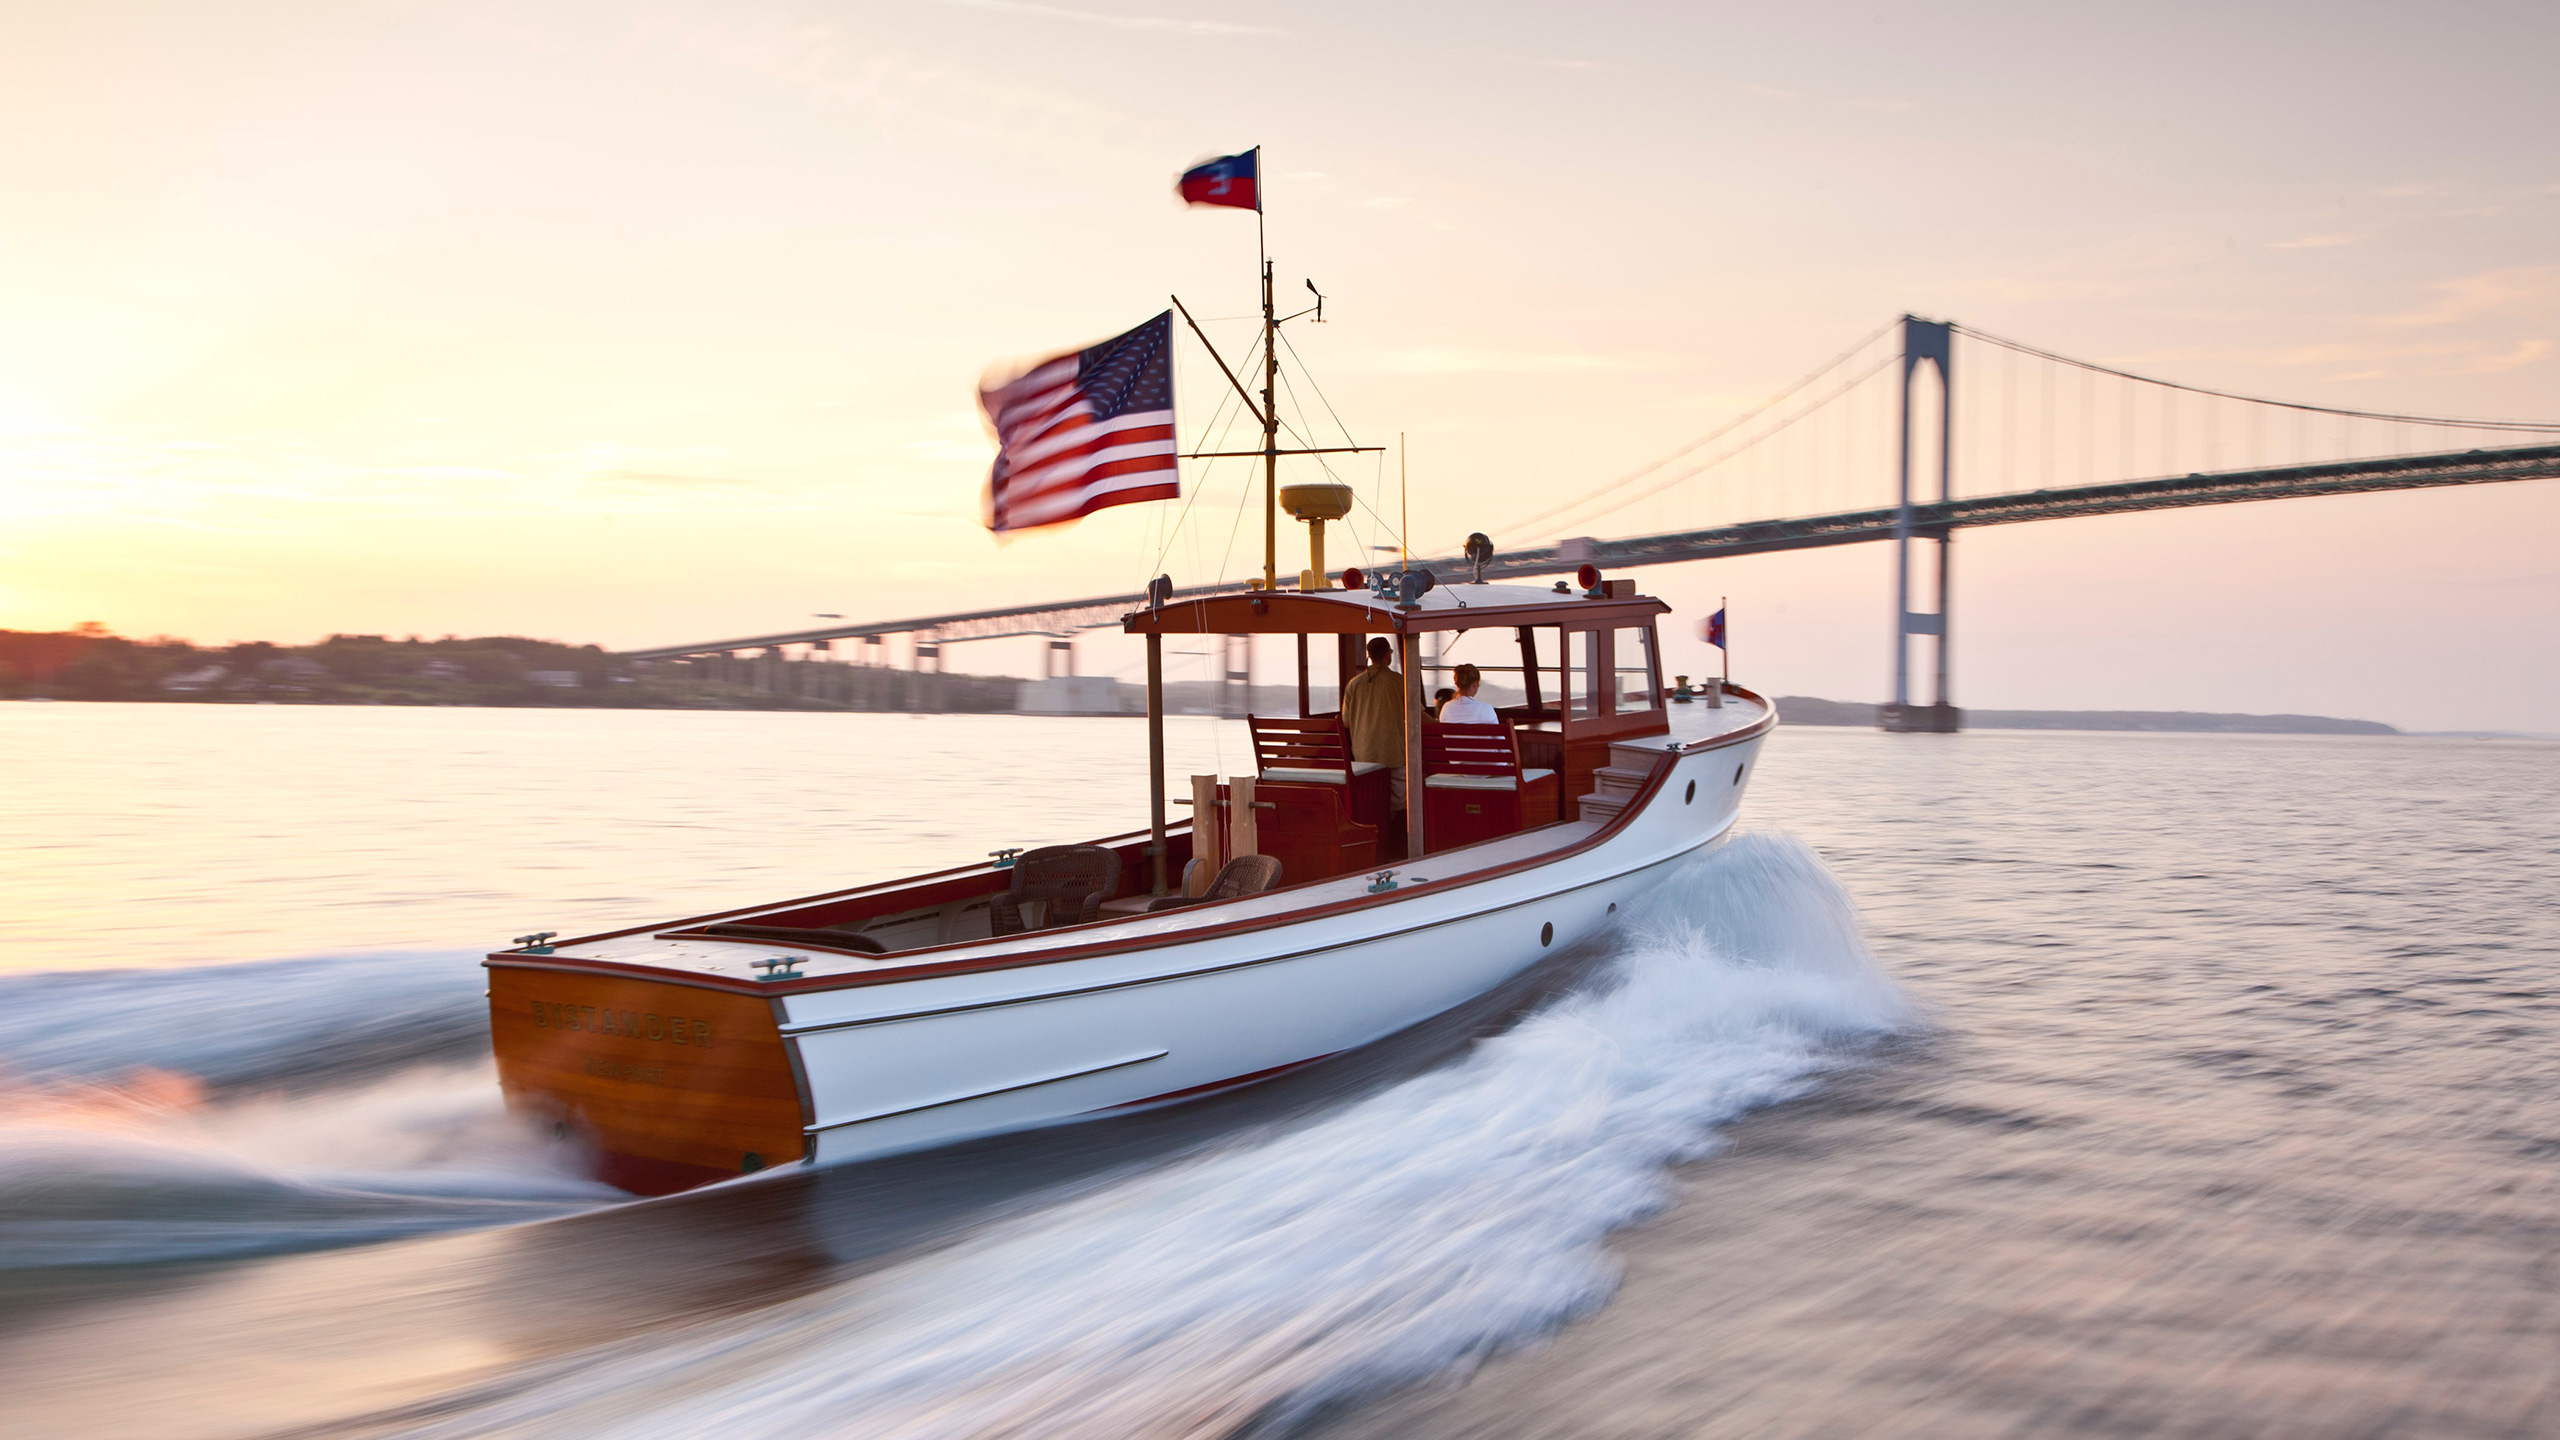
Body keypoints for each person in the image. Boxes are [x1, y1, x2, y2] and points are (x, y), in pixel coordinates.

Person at [1340, 635, 1407, 812]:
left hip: (1363, 756)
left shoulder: (1353, 684)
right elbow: (1417, 716)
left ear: (1369, 655)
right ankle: (1395, 830)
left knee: (1372, 800)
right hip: (1393, 754)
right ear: (1387, 655)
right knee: (1402, 797)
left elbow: (1346, 723)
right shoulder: (1399, 682)